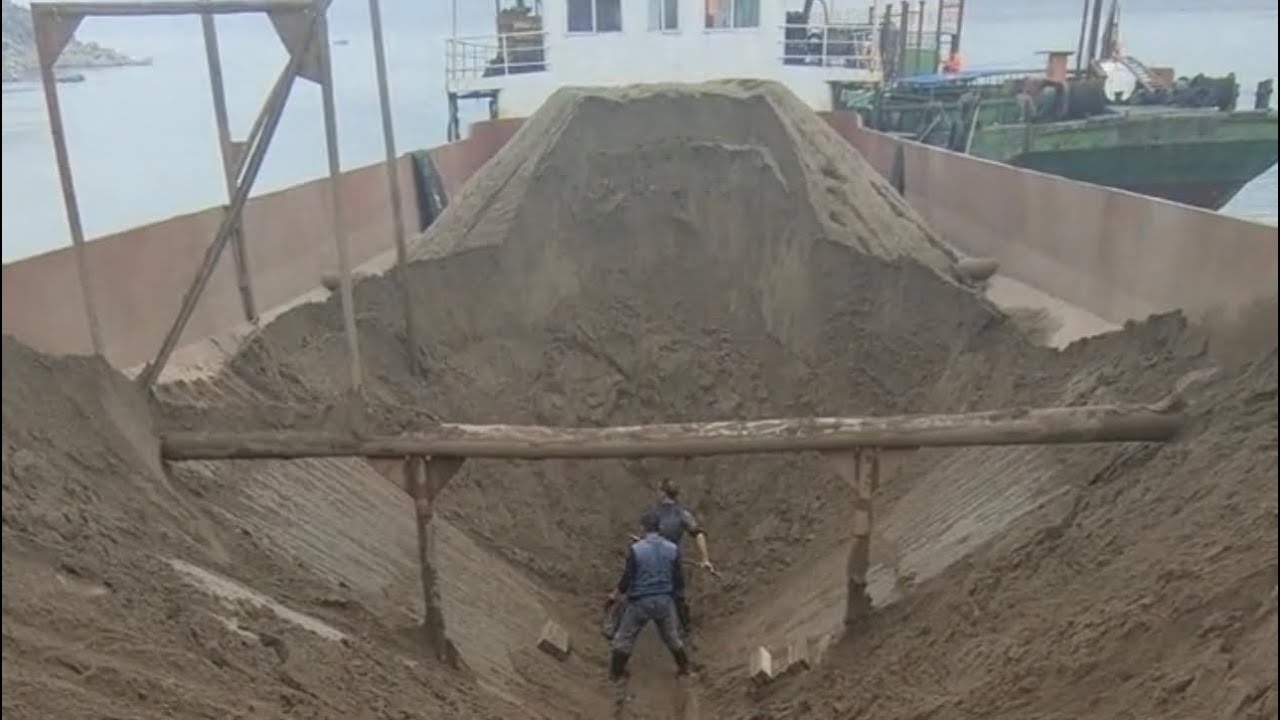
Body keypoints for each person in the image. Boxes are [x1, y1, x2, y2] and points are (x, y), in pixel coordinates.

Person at [607, 512, 692, 681]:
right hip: (664, 601)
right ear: (659, 528)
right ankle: (684, 668)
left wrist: (614, 595)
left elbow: (627, 579)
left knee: (624, 638)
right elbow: (678, 580)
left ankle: (616, 674)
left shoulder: (636, 549)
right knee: (672, 636)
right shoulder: (672, 549)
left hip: (640, 602)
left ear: (643, 528)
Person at [651, 479, 713, 633]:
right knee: (678, 595)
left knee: (635, 588)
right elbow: (698, 534)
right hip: (672, 558)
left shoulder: (654, 513)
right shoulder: (682, 514)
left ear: (663, 493)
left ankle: (617, 624)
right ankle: (686, 626)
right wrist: (705, 558)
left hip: (653, 557)